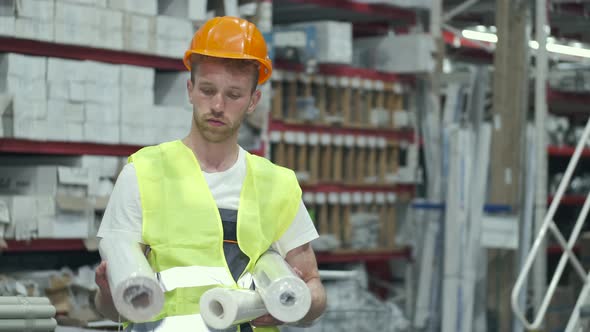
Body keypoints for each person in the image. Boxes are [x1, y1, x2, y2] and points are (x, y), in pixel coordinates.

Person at [93, 16, 327, 332]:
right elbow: (110, 310)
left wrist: (295, 306)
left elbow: (313, 289)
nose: (217, 105)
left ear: (253, 101)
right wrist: (110, 293)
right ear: (190, 90)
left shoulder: (277, 185)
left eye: (233, 95)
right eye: (207, 90)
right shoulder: (143, 174)